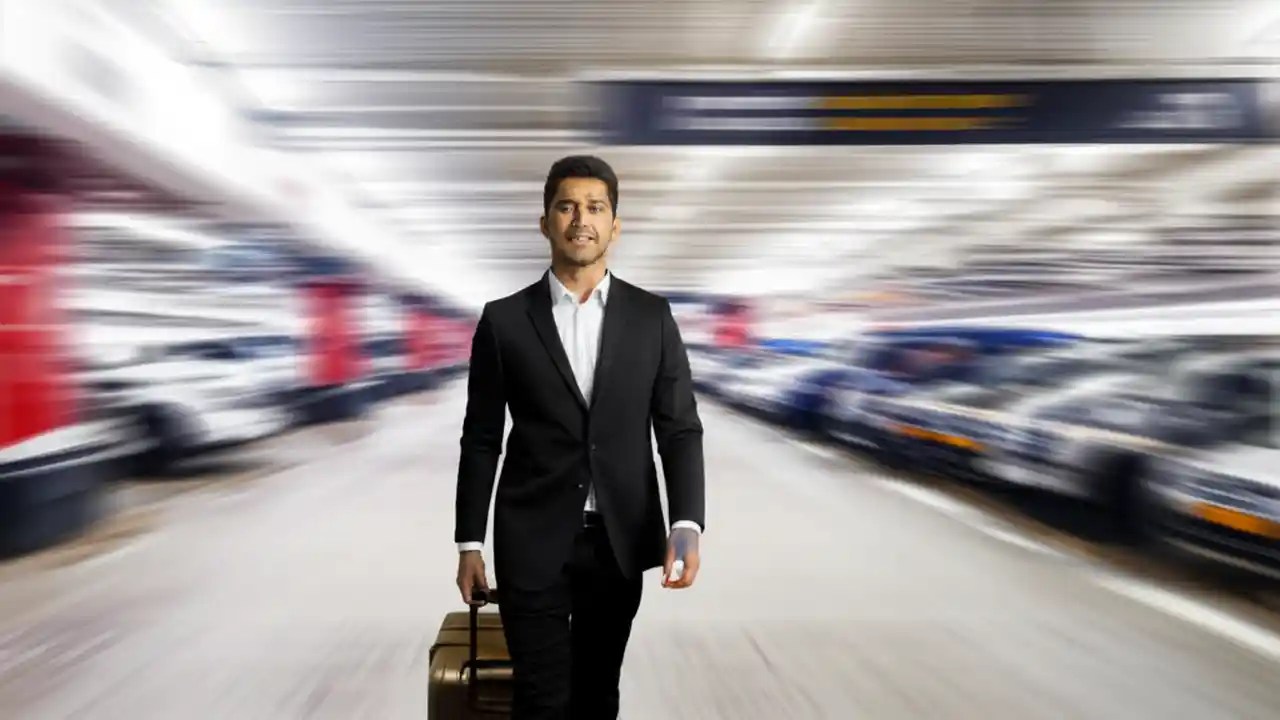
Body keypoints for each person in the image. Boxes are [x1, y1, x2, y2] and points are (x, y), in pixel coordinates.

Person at [453, 155, 706, 719]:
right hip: (531, 537)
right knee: (541, 699)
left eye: (595, 208)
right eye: (566, 206)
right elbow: (482, 437)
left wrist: (686, 522)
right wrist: (469, 541)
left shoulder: (652, 317)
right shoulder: (504, 320)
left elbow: (679, 428)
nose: (580, 219)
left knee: (597, 696)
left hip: (618, 541)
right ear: (544, 221)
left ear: (615, 225)